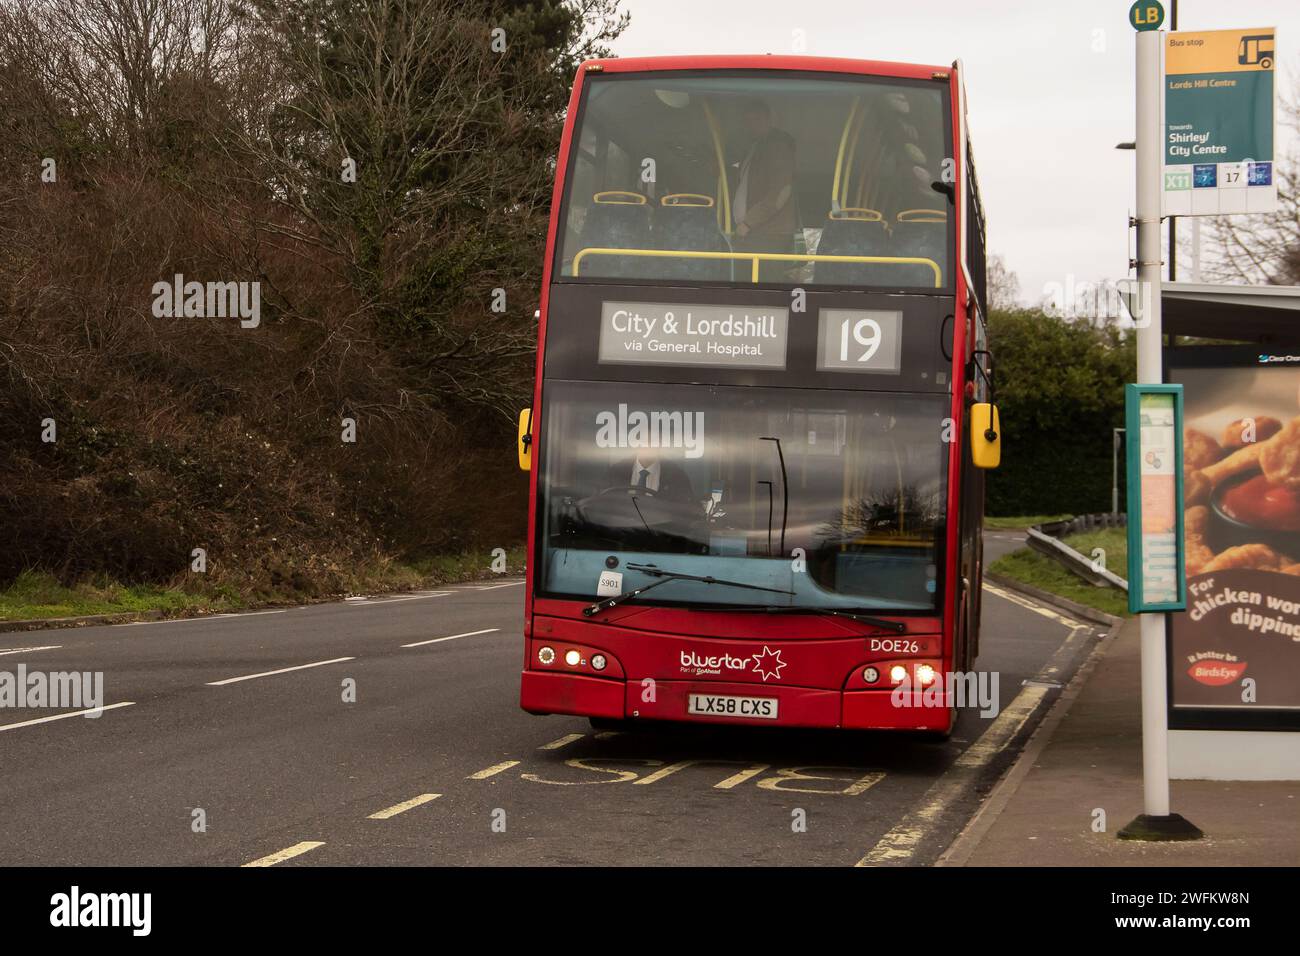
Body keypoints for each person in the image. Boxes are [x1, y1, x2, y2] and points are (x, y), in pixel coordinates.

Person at [732, 98, 797, 280]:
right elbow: (746, 180)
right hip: (757, 231)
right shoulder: (756, 147)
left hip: (768, 232)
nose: (752, 126)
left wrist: (748, 222)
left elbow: (780, 191)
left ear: (770, 120)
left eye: (757, 120)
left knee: (764, 285)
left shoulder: (778, 147)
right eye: (748, 121)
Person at [606, 449, 696, 504]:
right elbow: (603, 507)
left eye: (653, 440)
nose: (648, 445)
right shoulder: (615, 473)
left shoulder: (677, 477)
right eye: (644, 440)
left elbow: (686, 513)